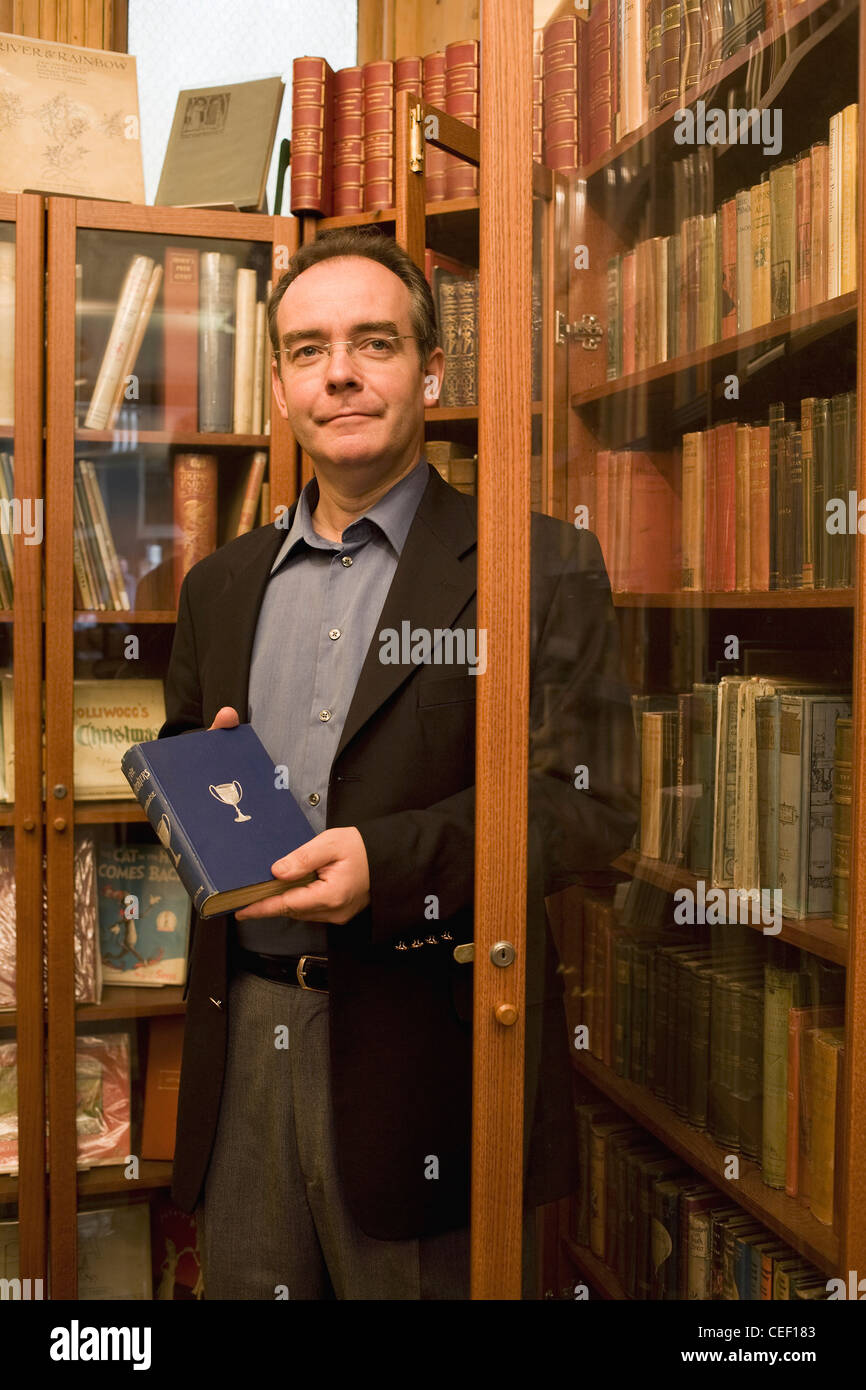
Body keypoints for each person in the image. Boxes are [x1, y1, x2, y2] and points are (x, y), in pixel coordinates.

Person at [158, 227, 637, 1300]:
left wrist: (389, 862)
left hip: (434, 1065)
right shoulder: (218, 587)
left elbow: (592, 805)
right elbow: (189, 765)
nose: (338, 372)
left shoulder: (542, 567)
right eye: (306, 349)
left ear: (429, 369)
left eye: (373, 343)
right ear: (280, 384)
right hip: (243, 1055)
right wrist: (205, 796)